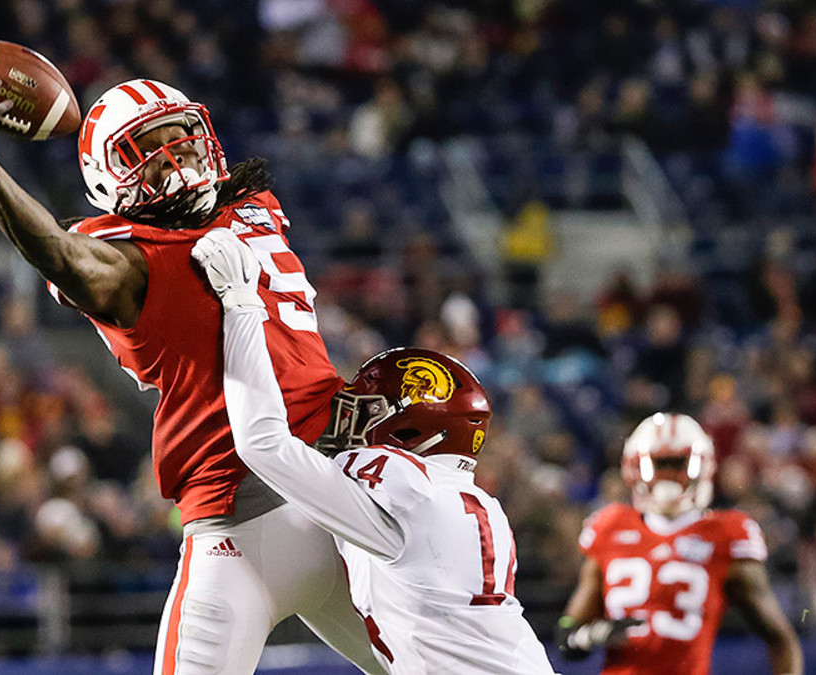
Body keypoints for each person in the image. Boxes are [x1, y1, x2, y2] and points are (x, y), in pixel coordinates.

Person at [0, 71, 383, 674]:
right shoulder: (134, 256)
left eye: (182, 136)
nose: (177, 155)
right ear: (108, 180)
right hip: (248, 518)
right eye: (149, 149)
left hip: (332, 496)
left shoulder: (252, 209)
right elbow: (66, 258)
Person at [191, 228, 558, 674]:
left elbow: (263, 444)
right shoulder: (475, 503)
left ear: (410, 429)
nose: (347, 424)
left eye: (365, 412)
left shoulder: (410, 493)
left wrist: (242, 305)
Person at [557, 413, 803, 675]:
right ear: (634, 466)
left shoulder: (725, 534)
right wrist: (590, 635)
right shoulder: (610, 527)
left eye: (677, 463)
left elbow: (780, 638)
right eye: (659, 464)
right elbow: (566, 635)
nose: (668, 476)